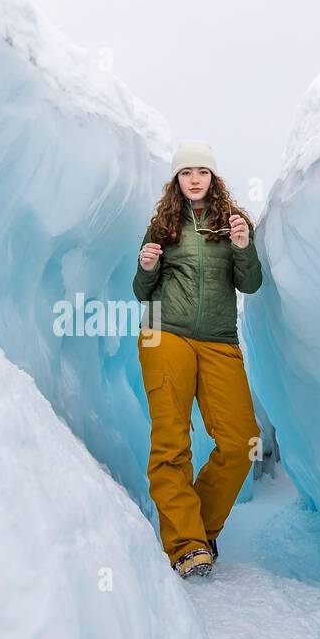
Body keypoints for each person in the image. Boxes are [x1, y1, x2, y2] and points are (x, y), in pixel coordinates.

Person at [132, 141, 263, 579]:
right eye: (185, 172)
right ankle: (186, 545)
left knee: (241, 440)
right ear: (176, 180)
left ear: (213, 177)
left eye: (201, 171)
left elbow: (251, 283)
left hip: (219, 340)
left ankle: (200, 529)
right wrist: (147, 267)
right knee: (172, 441)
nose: (194, 179)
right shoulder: (162, 225)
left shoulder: (233, 224)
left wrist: (243, 245)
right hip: (164, 334)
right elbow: (141, 292)